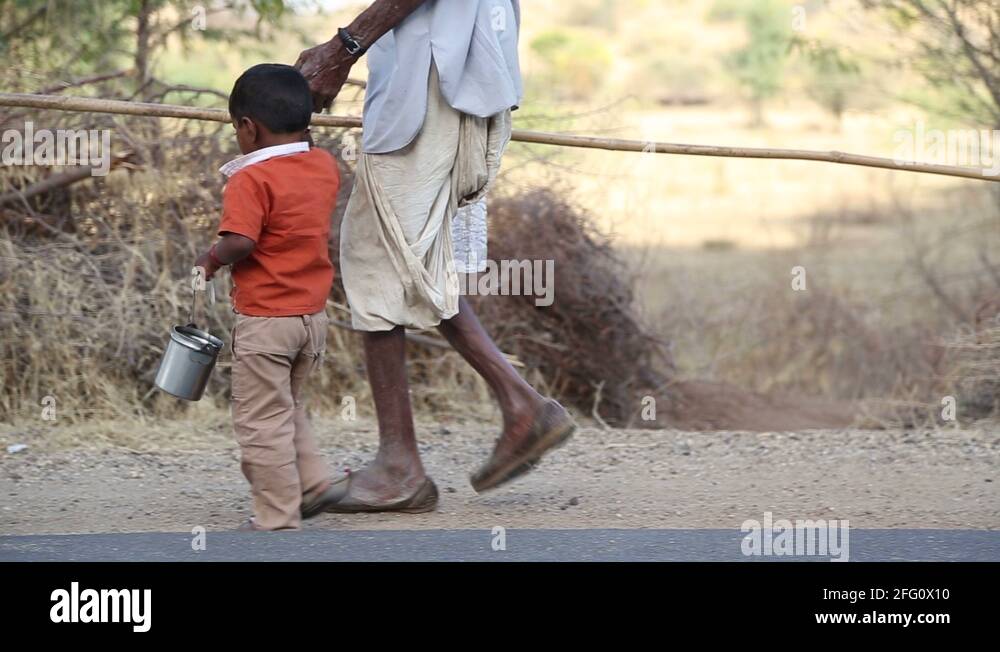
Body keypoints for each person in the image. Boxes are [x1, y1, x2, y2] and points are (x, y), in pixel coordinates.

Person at [294, 0, 575, 512]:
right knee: (407, 255)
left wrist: (344, 48)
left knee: (377, 254)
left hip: (433, 76)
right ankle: (519, 406)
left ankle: (401, 467)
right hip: (460, 72)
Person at [193, 64, 344, 531]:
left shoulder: (251, 180)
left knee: (261, 422)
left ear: (247, 127)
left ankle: (276, 517)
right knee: (287, 408)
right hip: (312, 321)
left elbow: (241, 241)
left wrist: (211, 259)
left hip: (266, 323)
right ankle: (313, 482)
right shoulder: (324, 165)